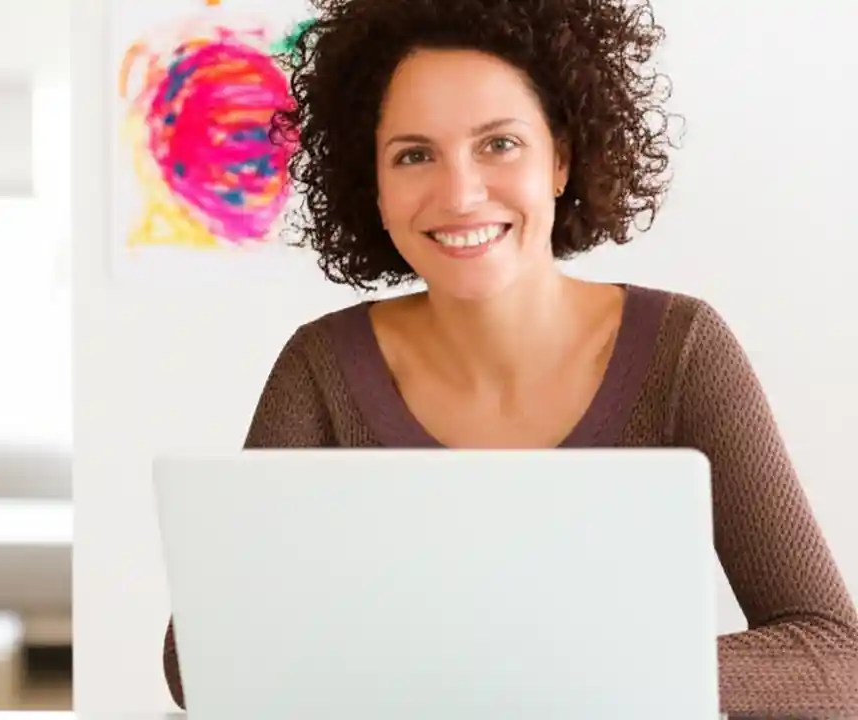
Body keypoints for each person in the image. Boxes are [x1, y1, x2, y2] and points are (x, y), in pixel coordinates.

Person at [160, 0, 858, 715]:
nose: (460, 193)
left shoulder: (681, 350)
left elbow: (837, 659)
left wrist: (566, 669)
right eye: (414, 154)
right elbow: (199, 658)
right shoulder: (323, 368)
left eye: (499, 144)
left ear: (560, 157)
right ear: (374, 184)